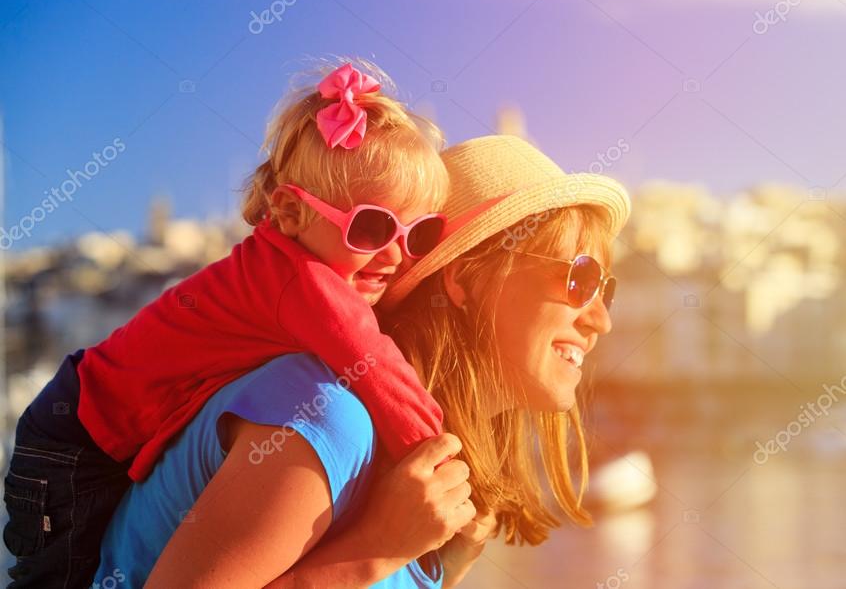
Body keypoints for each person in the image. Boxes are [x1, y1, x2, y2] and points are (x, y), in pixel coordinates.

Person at [89, 134, 630, 587]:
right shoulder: (324, 419)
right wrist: (375, 550)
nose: (600, 319)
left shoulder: (444, 499)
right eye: (578, 278)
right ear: (464, 281)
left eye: (605, 288)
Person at [3, 60, 451, 588]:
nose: (399, 254)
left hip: (99, 421)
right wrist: (436, 453)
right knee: (62, 576)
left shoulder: (279, 267)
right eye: (373, 227)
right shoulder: (303, 282)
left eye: (420, 234)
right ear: (289, 213)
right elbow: (374, 366)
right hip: (77, 432)